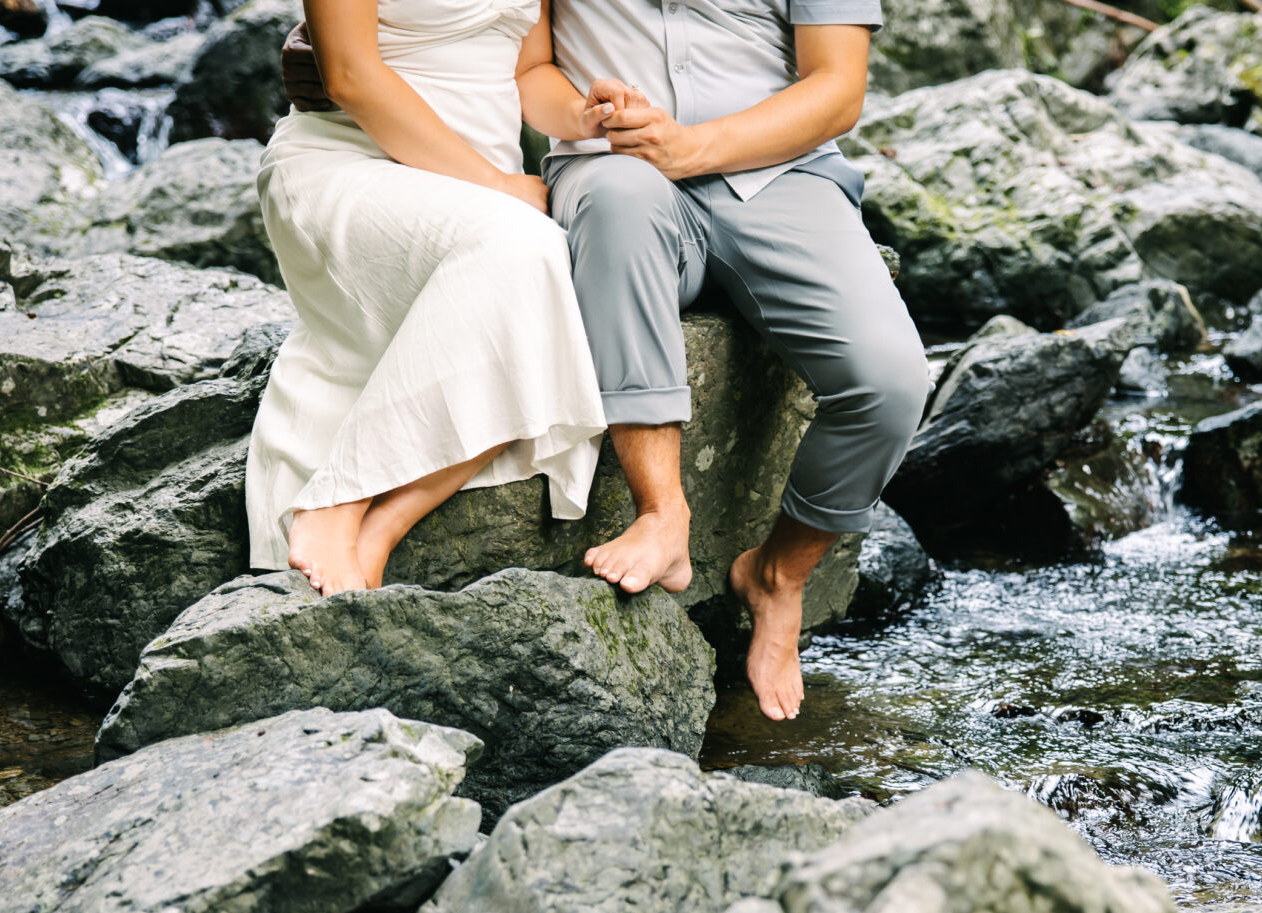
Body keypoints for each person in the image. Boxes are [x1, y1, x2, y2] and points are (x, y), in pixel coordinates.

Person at [284, 0, 930, 722]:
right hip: (613, 176)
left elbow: (837, 88)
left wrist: (695, 147)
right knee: (618, 201)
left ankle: (779, 575)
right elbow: (529, 65)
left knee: (891, 381)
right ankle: (662, 515)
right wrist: (586, 115)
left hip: (784, 181)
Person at [245, 0, 608, 595]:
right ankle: (338, 499)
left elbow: (526, 69)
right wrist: (496, 184)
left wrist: (581, 115)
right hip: (348, 163)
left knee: (535, 306)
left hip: (478, 200)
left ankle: (377, 530)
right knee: (528, 260)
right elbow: (349, 75)